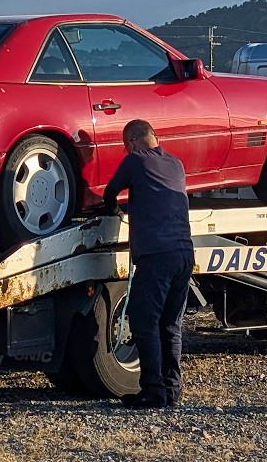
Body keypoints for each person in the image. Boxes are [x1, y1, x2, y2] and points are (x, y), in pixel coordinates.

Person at [103, 119, 194, 410]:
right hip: (184, 254)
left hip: (156, 255)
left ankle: (153, 391)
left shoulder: (135, 161)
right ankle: (171, 389)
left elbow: (109, 193)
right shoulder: (177, 163)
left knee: (144, 321)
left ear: (131, 142)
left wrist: (115, 212)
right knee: (171, 325)